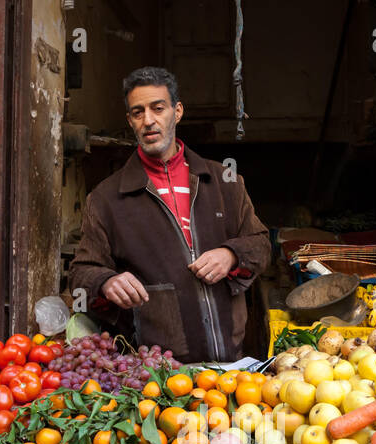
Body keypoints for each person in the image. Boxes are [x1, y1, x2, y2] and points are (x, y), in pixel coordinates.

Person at [68, 67, 271, 363]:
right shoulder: (106, 199)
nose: (148, 120)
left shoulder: (224, 180)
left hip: (230, 362)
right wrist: (106, 281)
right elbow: (80, 272)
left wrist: (231, 254)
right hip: (155, 373)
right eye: (138, 112)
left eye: (157, 108)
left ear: (177, 112)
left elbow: (262, 245)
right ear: (130, 121)